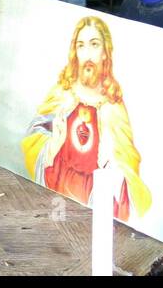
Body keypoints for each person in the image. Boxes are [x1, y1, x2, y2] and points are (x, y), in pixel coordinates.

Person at [22, 16, 151, 219]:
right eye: (81, 46)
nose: (88, 54)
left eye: (94, 45)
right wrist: (52, 145)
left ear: (105, 53)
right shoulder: (62, 94)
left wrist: (113, 164)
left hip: (94, 203)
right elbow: (31, 138)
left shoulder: (113, 106)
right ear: (75, 52)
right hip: (55, 197)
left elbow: (130, 172)